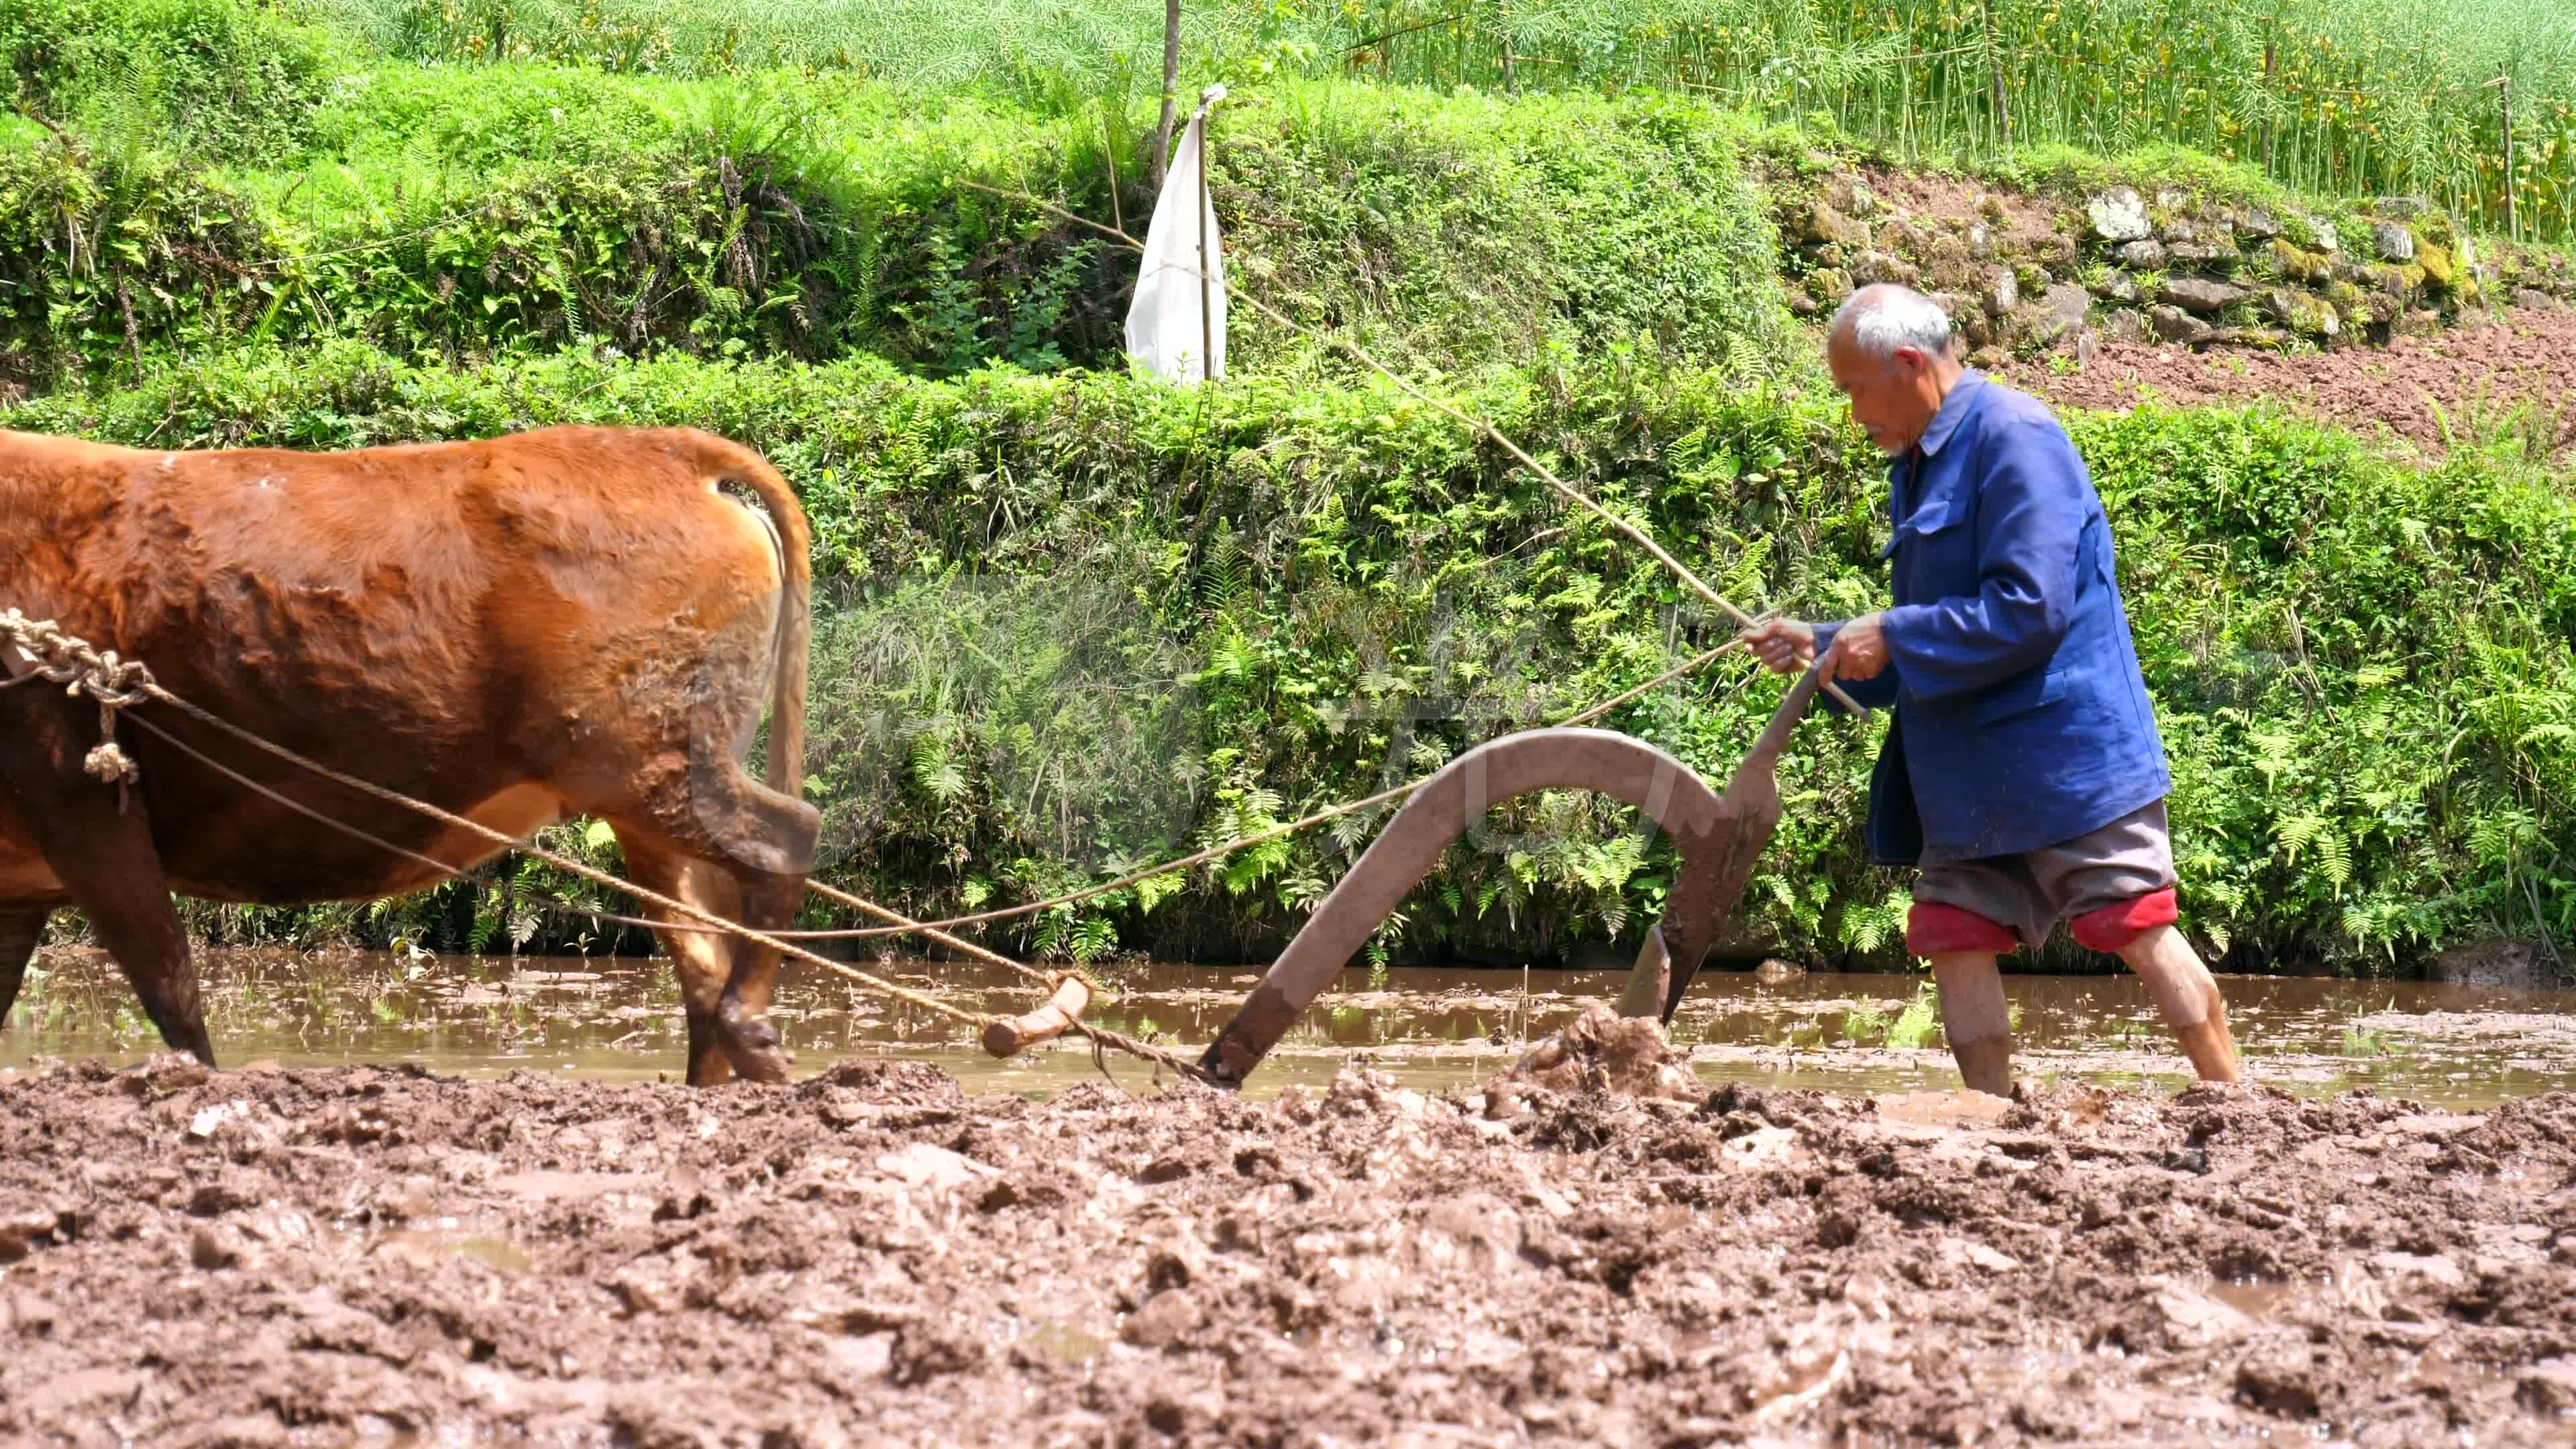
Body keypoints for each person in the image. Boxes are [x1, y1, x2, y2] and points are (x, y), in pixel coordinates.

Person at [1741, 284, 2241, 1097]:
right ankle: (1992, 1121)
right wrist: (1828, 645)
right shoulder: (1920, 458)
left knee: (2133, 918)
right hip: (1968, 768)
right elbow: (1938, 622)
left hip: (2064, 755)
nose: (1851, 413)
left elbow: (2028, 608)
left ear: (1908, 366)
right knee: (1954, 930)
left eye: (1853, 391)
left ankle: (2236, 1102)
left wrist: (1889, 634)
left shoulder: (2015, 437)